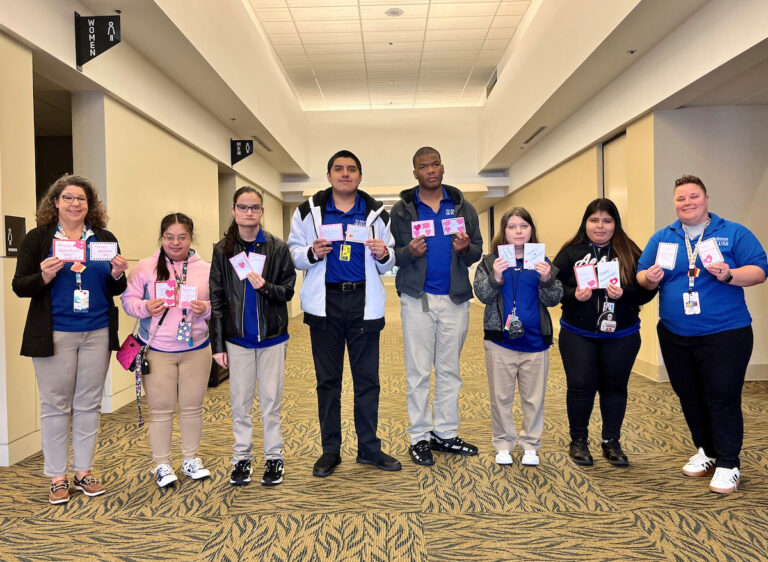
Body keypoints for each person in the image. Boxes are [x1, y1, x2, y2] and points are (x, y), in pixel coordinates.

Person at [637, 175, 767, 494]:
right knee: (689, 396)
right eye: (681, 198)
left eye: (694, 196)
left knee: (721, 396)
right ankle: (707, 451)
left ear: (706, 200)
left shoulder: (733, 232)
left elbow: (760, 270)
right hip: (675, 334)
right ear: (675, 203)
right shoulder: (663, 238)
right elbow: (641, 276)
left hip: (726, 333)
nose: (687, 202)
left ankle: (729, 463)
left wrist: (730, 274)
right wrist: (650, 278)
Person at [12, 174, 128, 504]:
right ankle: (57, 477)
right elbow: (20, 285)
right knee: (55, 405)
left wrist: (119, 275)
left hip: (97, 331)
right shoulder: (39, 239)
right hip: (55, 332)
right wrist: (44, 275)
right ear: (56, 203)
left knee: (89, 403)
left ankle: (84, 471)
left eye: (81, 199)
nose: (75, 204)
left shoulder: (104, 239)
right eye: (68, 198)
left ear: (90, 206)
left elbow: (115, 288)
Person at [287, 149, 401, 477]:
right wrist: (310, 252)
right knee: (328, 382)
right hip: (326, 306)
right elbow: (295, 252)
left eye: (352, 169)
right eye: (339, 169)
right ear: (329, 176)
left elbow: (390, 257)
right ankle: (330, 450)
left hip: (364, 305)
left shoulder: (377, 214)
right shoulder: (309, 212)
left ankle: (369, 448)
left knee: (367, 381)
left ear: (360, 177)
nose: (345, 174)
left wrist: (384, 254)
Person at [391, 146, 483, 466]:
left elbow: (477, 252)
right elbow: (392, 255)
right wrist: (409, 253)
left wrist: (467, 247)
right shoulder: (402, 211)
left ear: (442, 168)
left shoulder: (462, 207)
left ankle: (444, 433)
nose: (430, 170)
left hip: (455, 298)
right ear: (414, 173)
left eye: (435, 164)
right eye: (422, 166)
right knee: (418, 371)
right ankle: (419, 436)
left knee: (449, 370)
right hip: (417, 299)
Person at [554, 198, 656, 467]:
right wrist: (573, 295)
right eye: (594, 220)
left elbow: (647, 292)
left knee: (615, 388)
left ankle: (611, 441)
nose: (600, 226)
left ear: (615, 224)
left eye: (607, 220)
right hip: (578, 333)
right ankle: (579, 441)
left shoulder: (630, 252)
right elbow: (551, 288)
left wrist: (625, 294)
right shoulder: (571, 252)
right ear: (585, 223)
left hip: (621, 334)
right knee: (580, 387)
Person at [210, 186, 296, 486]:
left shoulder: (277, 247)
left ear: (262, 211)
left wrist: (265, 287)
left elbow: (287, 291)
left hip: (272, 338)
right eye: (243, 207)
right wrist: (217, 344)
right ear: (234, 210)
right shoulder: (223, 249)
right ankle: (242, 459)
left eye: (255, 207)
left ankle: (274, 458)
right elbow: (217, 298)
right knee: (240, 404)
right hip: (237, 340)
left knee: (271, 402)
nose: (249, 212)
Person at [121, 213, 212, 488]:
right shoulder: (146, 267)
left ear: (191, 238)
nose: (176, 243)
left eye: (182, 237)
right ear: (161, 238)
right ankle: (161, 464)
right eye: (169, 237)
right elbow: (128, 301)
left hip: (196, 348)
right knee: (161, 410)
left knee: (192, 407)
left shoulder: (206, 269)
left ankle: (191, 459)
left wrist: (206, 309)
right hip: (158, 349)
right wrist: (145, 307)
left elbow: (220, 304)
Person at [473, 208, 562, 466]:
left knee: (533, 398)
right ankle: (503, 443)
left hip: (535, 342)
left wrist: (547, 279)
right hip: (500, 343)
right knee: (500, 397)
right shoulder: (491, 262)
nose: (519, 231)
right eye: (512, 227)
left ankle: (531, 445)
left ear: (531, 230)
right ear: (505, 232)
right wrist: (495, 277)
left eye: (523, 226)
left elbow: (554, 299)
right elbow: (482, 295)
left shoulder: (542, 261)